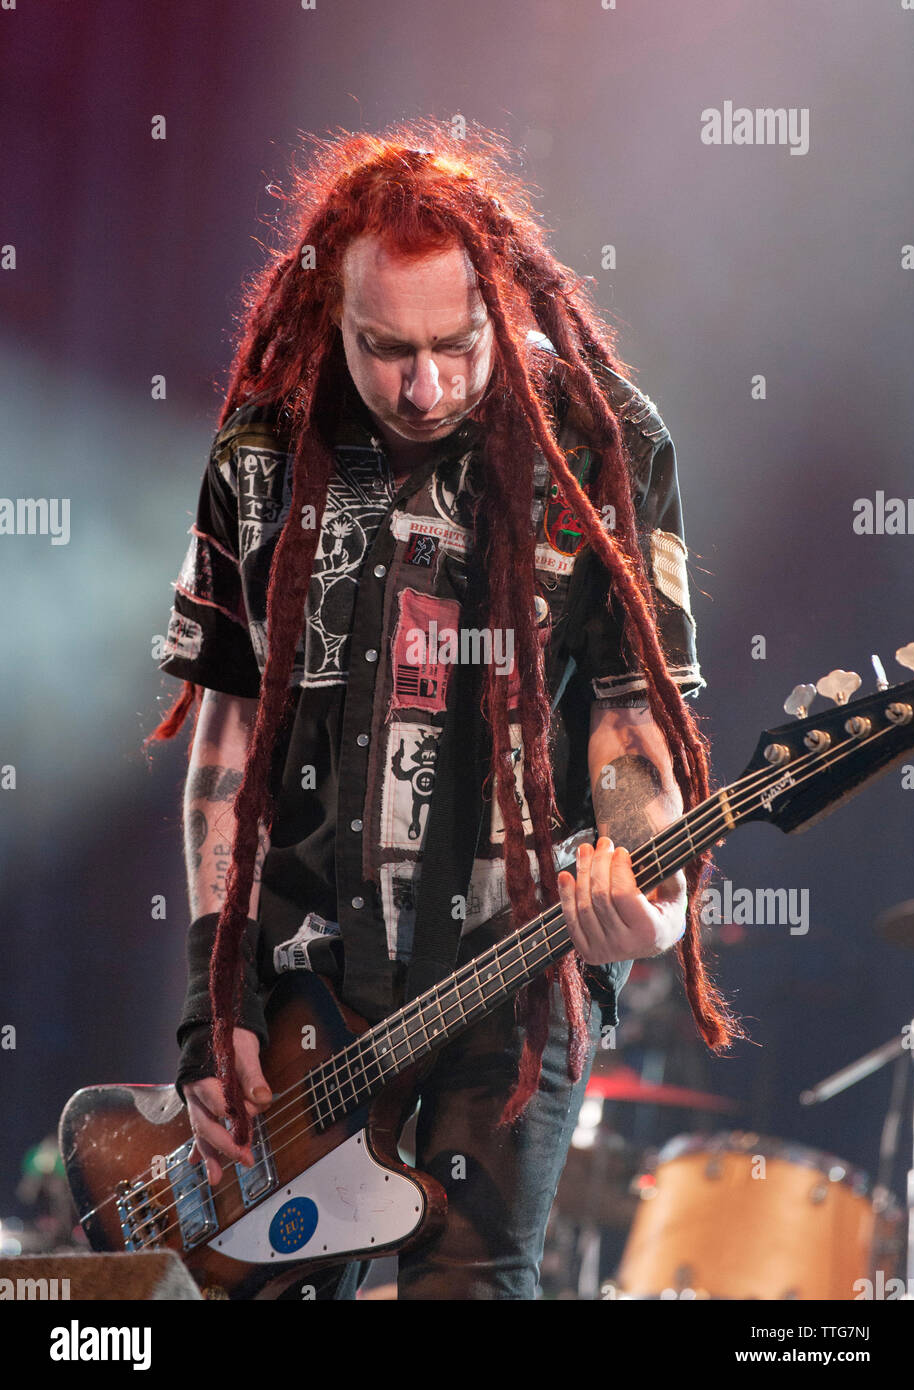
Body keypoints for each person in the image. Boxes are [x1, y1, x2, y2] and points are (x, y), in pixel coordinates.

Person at [148, 124, 741, 1300]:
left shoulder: (601, 441)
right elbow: (224, 741)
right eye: (383, 350)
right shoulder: (267, 437)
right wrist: (209, 1005)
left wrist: (648, 888)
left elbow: (629, 721)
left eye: (452, 345)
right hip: (302, 972)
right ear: (334, 317)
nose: (422, 386)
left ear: (502, 303)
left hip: (512, 971)